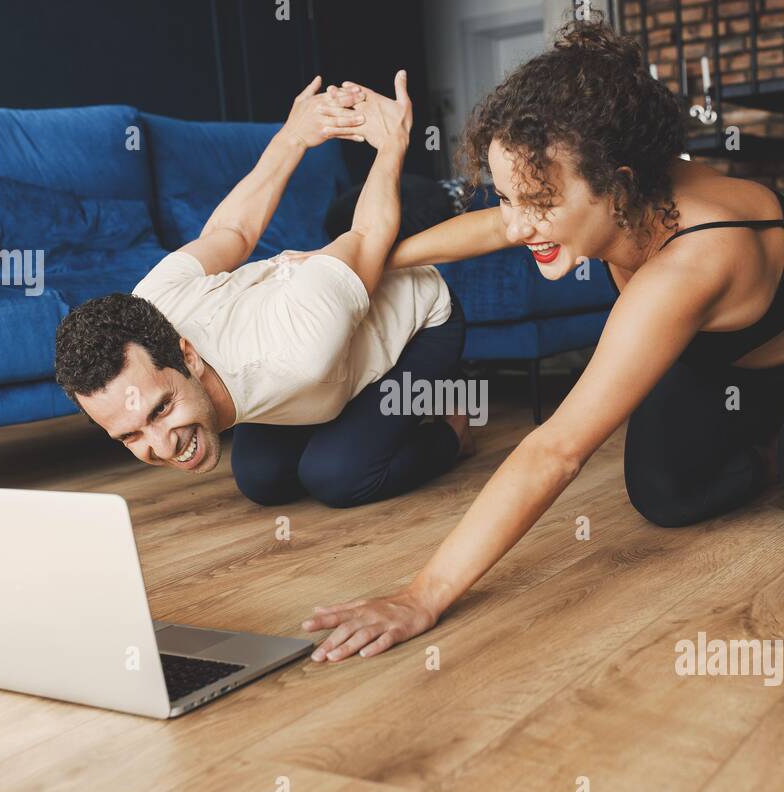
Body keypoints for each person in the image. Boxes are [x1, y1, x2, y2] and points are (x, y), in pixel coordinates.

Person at [302, 18, 784, 662]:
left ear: (620, 184)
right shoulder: (599, 186)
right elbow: (497, 227)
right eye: (507, 196)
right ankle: (779, 435)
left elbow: (556, 449)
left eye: (541, 202)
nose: (521, 225)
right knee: (665, 495)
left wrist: (422, 595)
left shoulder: (691, 263)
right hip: (733, 359)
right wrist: (364, 263)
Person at [53, 72, 473, 508]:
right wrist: (293, 135)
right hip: (325, 358)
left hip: (419, 327)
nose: (161, 446)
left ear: (189, 356)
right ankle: (342, 410)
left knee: (337, 477)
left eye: (160, 410)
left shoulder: (295, 350)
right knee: (263, 479)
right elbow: (231, 230)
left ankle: (454, 431)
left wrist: (394, 141)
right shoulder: (145, 310)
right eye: (130, 435)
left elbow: (368, 234)